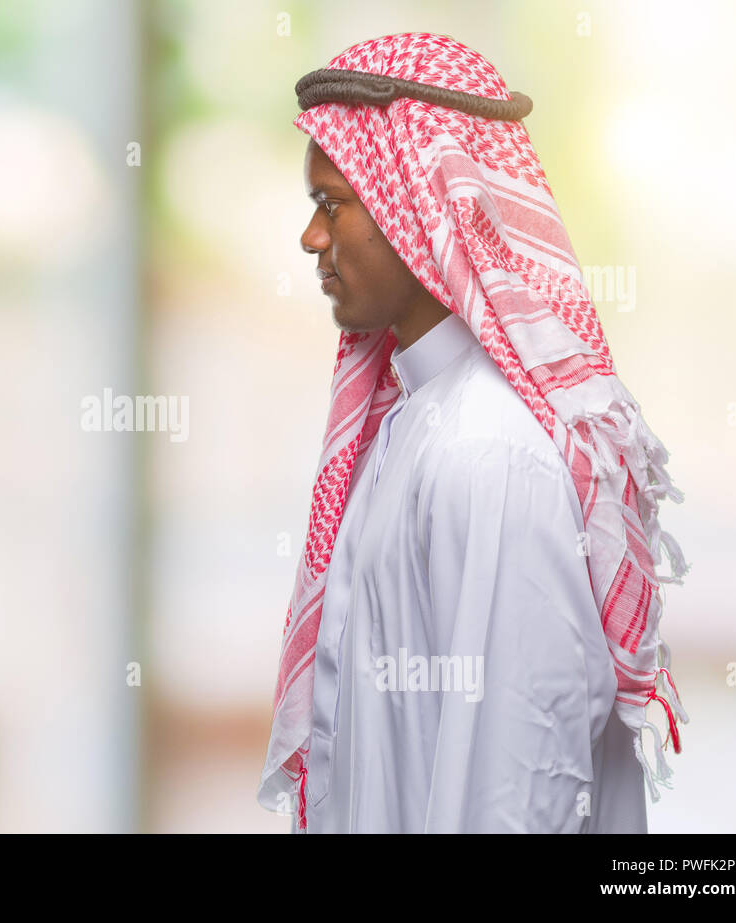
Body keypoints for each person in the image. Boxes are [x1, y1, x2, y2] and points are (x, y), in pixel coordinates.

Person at [257, 32, 691, 833]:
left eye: (332, 204)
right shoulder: (417, 423)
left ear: (415, 205)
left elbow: (519, 792)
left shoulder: (487, 451)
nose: (312, 239)